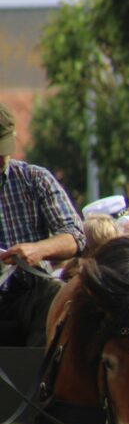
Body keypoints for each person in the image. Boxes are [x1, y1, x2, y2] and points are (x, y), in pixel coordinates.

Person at [0, 102, 85, 346]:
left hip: (31, 290)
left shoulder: (35, 179)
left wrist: (37, 249)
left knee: (58, 294)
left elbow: (75, 236)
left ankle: (39, 371)